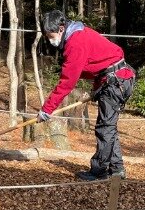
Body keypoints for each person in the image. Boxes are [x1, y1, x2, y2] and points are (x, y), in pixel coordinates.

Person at [38, 10, 135, 180]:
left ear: (61, 29)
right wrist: (98, 87)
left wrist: (46, 109)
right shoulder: (76, 34)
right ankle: (117, 169)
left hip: (116, 82)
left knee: (105, 128)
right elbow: (94, 65)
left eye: (50, 35)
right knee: (108, 127)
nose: (50, 40)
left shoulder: (75, 42)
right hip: (113, 80)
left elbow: (67, 82)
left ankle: (99, 171)